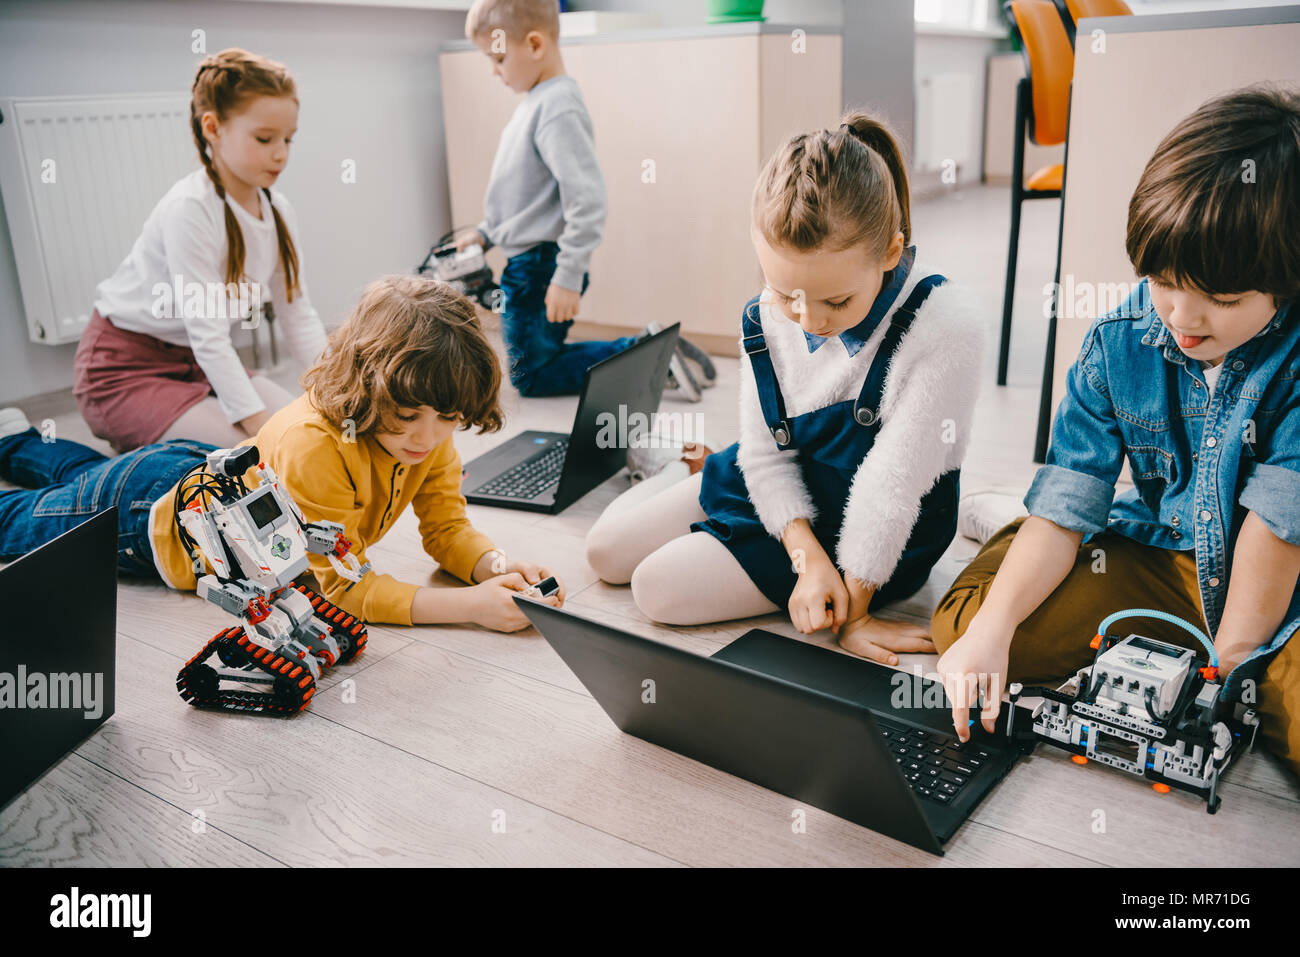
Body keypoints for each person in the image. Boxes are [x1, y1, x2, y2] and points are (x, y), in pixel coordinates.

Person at [932, 86, 1300, 778]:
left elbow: (1275, 539)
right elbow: (1069, 505)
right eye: (1162, 280)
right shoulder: (1119, 341)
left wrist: (1217, 682)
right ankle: (1012, 519)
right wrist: (993, 631)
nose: (1182, 317)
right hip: (1164, 550)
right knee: (969, 628)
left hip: (1281, 579)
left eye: (1222, 298)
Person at [585, 111, 984, 663]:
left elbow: (889, 487)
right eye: (784, 292)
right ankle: (684, 463)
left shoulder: (945, 327)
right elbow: (765, 456)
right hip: (780, 486)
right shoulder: (771, 313)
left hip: (873, 537)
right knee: (604, 554)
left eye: (835, 301)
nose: (806, 320)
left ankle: (699, 492)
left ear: (890, 253)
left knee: (656, 588)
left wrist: (857, 611)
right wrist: (805, 558)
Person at [1, 276, 562, 632]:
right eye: (409, 416)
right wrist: (472, 608)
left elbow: (446, 528)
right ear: (366, 386)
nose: (427, 437)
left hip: (196, 468)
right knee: (26, 521)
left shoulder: (427, 432)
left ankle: (14, 440)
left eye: (446, 419)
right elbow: (343, 587)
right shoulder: (315, 447)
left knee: (83, 477)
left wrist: (496, 566)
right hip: (149, 517)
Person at [73, 48, 327, 453]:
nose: (281, 153)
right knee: (268, 452)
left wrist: (336, 397)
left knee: (309, 435)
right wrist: (262, 431)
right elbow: (209, 337)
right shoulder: (190, 209)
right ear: (213, 127)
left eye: (288, 139)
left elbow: (297, 315)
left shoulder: (279, 209)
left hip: (194, 364)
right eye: (264, 138)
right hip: (124, 371)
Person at [460, 0, 715, 399]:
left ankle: (645, 355)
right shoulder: (537, 102)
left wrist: (567, 275)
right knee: (537, 362)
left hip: (541, 267)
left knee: (532, 374)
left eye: (497, 58)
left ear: (535, 45)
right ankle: (648, 353)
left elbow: (587, 200)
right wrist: (486, 233)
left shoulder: (557, 107)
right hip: (529, 263)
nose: (494, 71)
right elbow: (525, 195)